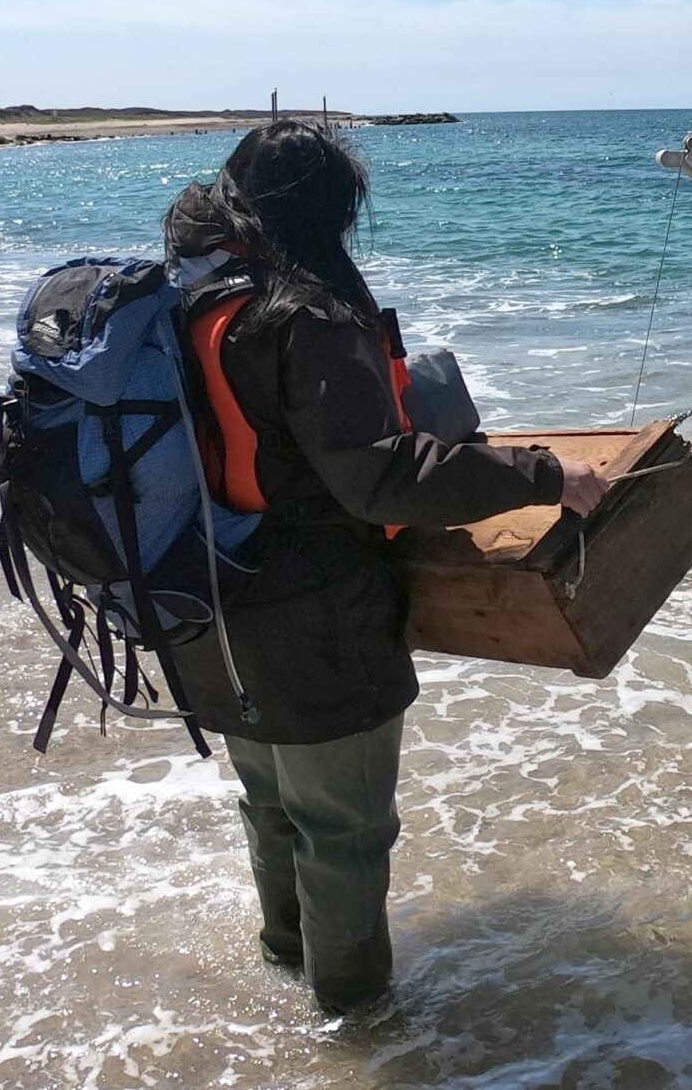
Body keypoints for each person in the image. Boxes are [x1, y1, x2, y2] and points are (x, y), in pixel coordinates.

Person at [159, 120, 606, 1016]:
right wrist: (549, 475)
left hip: (206, 603)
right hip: (312, 619)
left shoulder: (192, 299)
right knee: (345, 830)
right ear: (328, 212)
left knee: (276, 811)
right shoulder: (306, 315)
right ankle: (357, 1026)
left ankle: (287, 969)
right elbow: (381, 475)